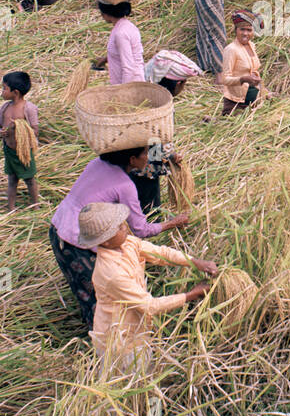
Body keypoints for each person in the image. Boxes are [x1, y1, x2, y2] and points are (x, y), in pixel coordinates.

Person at [49, 148, 190, 329]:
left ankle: (97, 333)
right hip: (78, 244)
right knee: (102, 299)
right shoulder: (125, 185)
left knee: (84, 290)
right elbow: (141, 230)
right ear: (132, 159)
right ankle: (106, 345)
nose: (149, 157)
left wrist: (169, 158)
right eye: (145, 154)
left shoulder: (97, 163)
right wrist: (173, 223)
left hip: (57, 229)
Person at [77, 202, 215, 367]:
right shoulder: (112, 274)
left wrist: (194, 262)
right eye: (119, 227)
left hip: (137, 330)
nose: (125, 228)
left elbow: (161, 253)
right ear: (105, 241)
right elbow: (150, 306)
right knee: (131, 382)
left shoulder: (126, 243)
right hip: (120, 343)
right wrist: (191, 295)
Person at [0, 70, 39, 210]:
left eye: (4, 88)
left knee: (30, 179)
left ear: (15, 92)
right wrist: (1, 132)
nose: (2, 92)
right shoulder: (5, 108)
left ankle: (35, 205)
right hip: (9, 151)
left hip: (23, 152)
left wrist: (18, 128)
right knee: (12, 179)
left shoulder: (29, 109)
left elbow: (35, 131)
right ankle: (11, 207)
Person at [219, 10, 263, 116]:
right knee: (230, 124)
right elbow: (225, 79)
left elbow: (254, 71)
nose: (245, 33)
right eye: (242, 29)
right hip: (236, 102)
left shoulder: (252, 46)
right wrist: (243, 79)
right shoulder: (231, 49)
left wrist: (263, 90)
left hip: (253, 101)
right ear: (236, 30)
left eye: (249, 30)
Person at [102, 0, 145, 84]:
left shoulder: (120, 33)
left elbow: (128, 68)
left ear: (106, 13)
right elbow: (125, 53)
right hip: (133, 81)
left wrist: (123, 93)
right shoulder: (127, 25)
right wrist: (105, 59)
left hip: (130, 85)